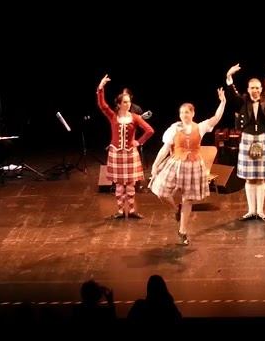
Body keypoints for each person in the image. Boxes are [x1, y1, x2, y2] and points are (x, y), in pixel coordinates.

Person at [150, 88, 227, 246]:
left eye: (187, 112)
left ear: (193, 113)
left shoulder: (200, 127)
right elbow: (165, 148)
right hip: (176, 163)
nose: (184, 115)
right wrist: (155, 164)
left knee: (188, 199)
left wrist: (223, 102)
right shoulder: (174, 128)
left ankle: (183, 231)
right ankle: (176, 209)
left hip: (193, 166)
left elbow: (216, 118)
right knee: (161, 192)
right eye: (182, 112)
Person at [223, 63, 265, 221]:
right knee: (249, 178)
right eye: (252, 88)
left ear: (261, 89)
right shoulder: (243, 101)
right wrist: (229, 76)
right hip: (247, 139)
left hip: (262, 139)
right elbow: (231, 94)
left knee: (261, 178)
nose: (255, 90)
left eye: (258, 87)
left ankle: (260, 211)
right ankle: (251, 211)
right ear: (248, 89)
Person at [97, 74, 155, 219]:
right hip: (116, 153)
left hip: (130, 153)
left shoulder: (134, 117)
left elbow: (150, 130)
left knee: (130, 184)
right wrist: (101, 88)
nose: (128, 104)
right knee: (118, 185)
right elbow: (102, 105)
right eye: (125, 102)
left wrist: (138, 142)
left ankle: (132, 210)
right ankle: (120, 211)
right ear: (119, 104)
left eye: (129, 102)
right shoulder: (113, 116)